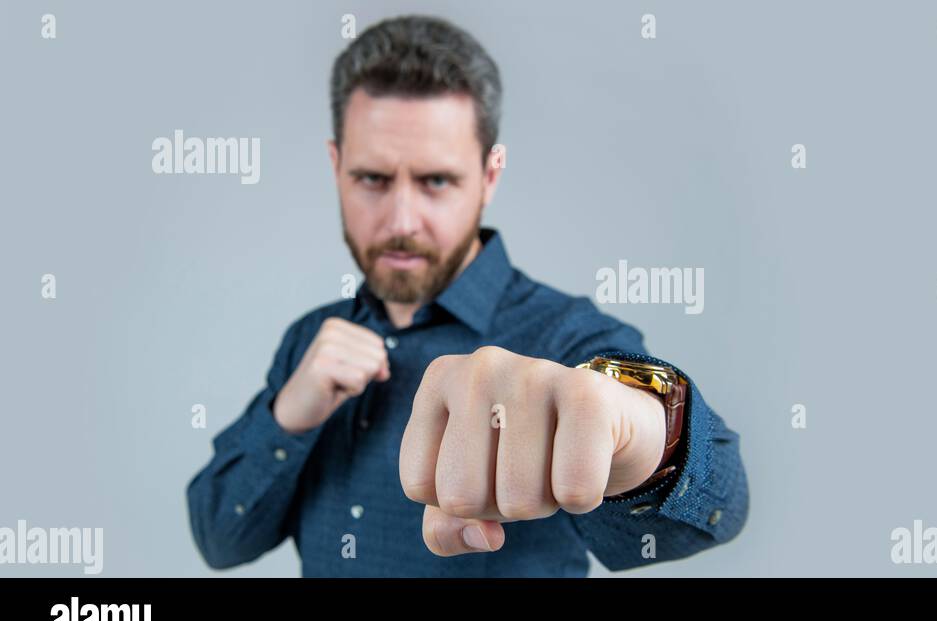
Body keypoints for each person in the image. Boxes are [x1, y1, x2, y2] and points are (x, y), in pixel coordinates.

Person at [186, 15, 748, 576]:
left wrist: (637, 437)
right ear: (337, 169)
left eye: (436, 181)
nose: (402, 220)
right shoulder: (311, 338)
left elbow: (724, 500)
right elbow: (220, 539)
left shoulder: (564, 337)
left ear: (490, 176)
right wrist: (288, 420)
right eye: (373, 180)